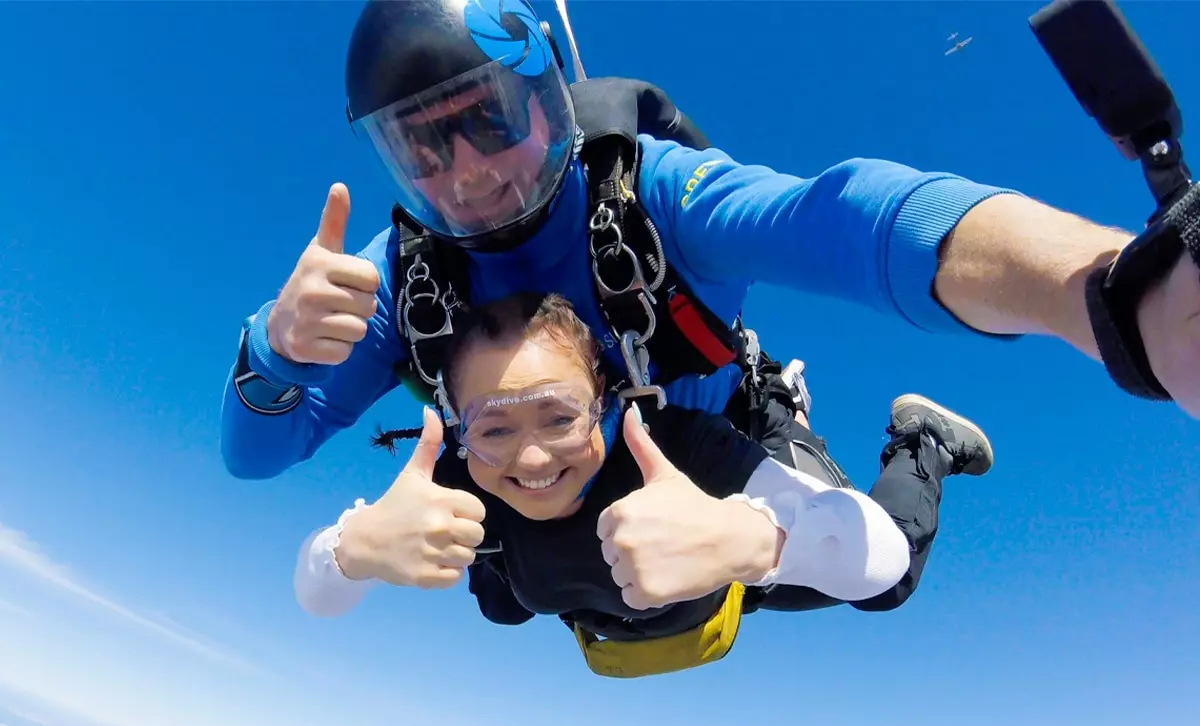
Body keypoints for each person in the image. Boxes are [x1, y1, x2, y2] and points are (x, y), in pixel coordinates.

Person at [220, 0, 1200, 489]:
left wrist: (1108, 292)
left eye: (485, 117)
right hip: (552, 491)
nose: (464, 171)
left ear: (549, 93)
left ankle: (919, 444)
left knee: (877, 576)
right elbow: (260, 453)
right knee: (537, 578)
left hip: (711, 452)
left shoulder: (650, 190)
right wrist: (274, 346)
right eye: (419, 142)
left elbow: (848, 217)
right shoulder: (403, 280)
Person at [293, 293, 994, 679]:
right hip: (611, 622)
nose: (531, 458)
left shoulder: (674, 449)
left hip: (728, 584)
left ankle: (916, 441)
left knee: (886, 587)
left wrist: (752, 538)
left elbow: (880, 561)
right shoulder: (458, 482)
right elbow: (315, 597)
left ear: (603, 401)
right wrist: (355, 546)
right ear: (458, 427)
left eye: (558, 416)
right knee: (500, 606)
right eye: (494, 427)